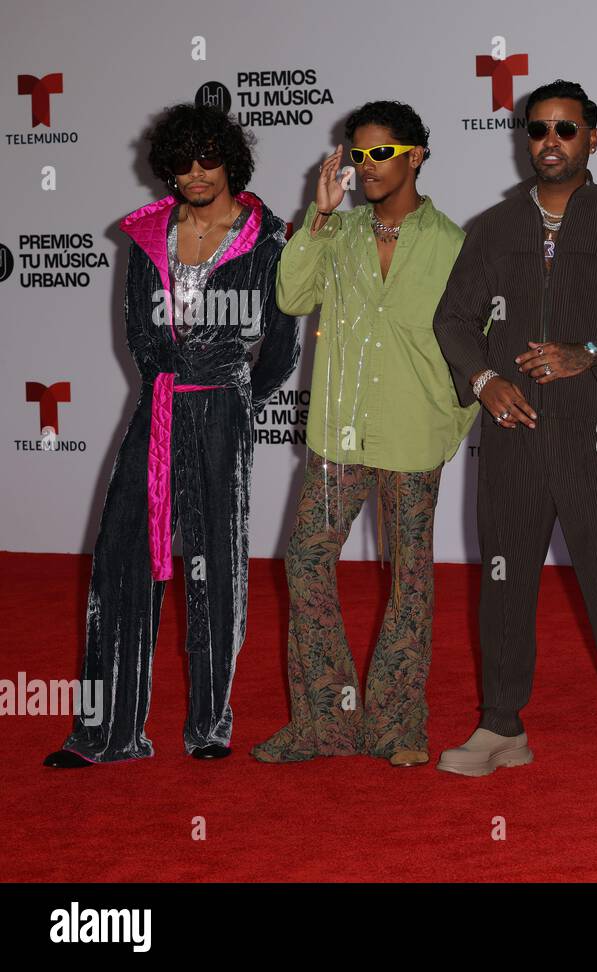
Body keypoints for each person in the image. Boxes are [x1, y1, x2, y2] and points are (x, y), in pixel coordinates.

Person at [433, 80, 597, 788]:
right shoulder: (493, 226)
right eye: (538, 129)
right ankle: (501, 725)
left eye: (566, 130)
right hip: (512, 431)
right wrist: (485, 383)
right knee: (504, 580)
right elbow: (453, 320)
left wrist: (590, 356)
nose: (551, 141)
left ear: (592, 139)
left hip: (594, 432)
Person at [44, 103, 300, 767]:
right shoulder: (149, 232)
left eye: (208, 159)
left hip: (221, 409)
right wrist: (173, 374)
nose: (195, 174)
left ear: (231, 162)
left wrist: (234, 391)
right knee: (121, 559)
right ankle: (108, 733)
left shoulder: (266, 238)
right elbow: (137, 329)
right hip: (157, 408)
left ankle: (209, 726)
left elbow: (280, 342)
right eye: (182, 164)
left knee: (217, 564)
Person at [252, 101, 476, 768]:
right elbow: (291, 297)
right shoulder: (338, 234)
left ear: (416, 155)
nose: (368, 165)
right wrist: (317, 216)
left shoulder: (454, 245)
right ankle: (325, 721)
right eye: (358, 153)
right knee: (306, 559)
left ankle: (398, 727)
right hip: (338, 439)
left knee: (410, 579)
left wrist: (448, 416)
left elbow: (475, 344)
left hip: (413, 435)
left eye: (383, 152)